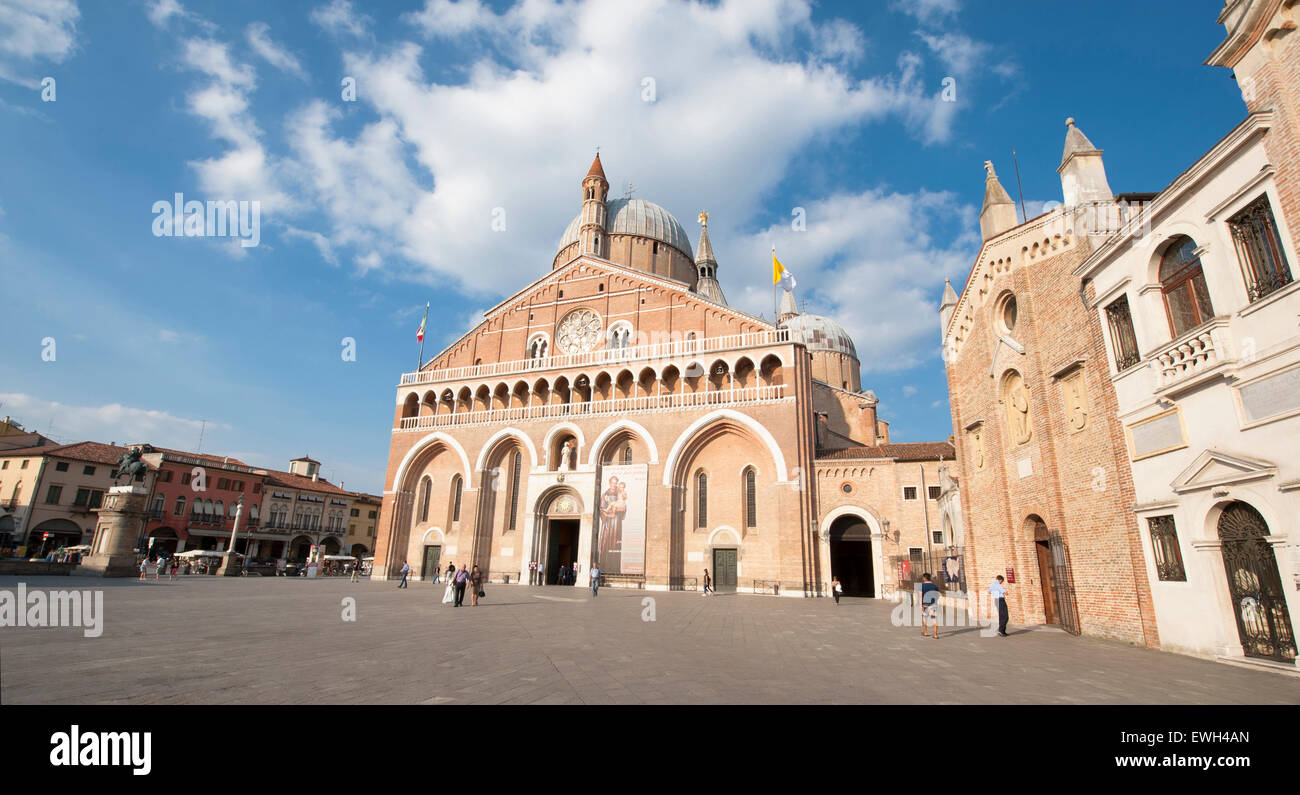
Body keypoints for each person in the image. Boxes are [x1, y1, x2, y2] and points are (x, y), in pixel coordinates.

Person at [920, 573, 940, 638]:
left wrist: (921, 606)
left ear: (924, 578)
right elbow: (937, 595)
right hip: (933, 604)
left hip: (925, 605)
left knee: (924, 618)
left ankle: (925, 632)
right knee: (934, 618)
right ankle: (935, 634)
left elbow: (920, 596)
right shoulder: (935, 586)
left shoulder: (922, 586)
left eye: (923, 577)